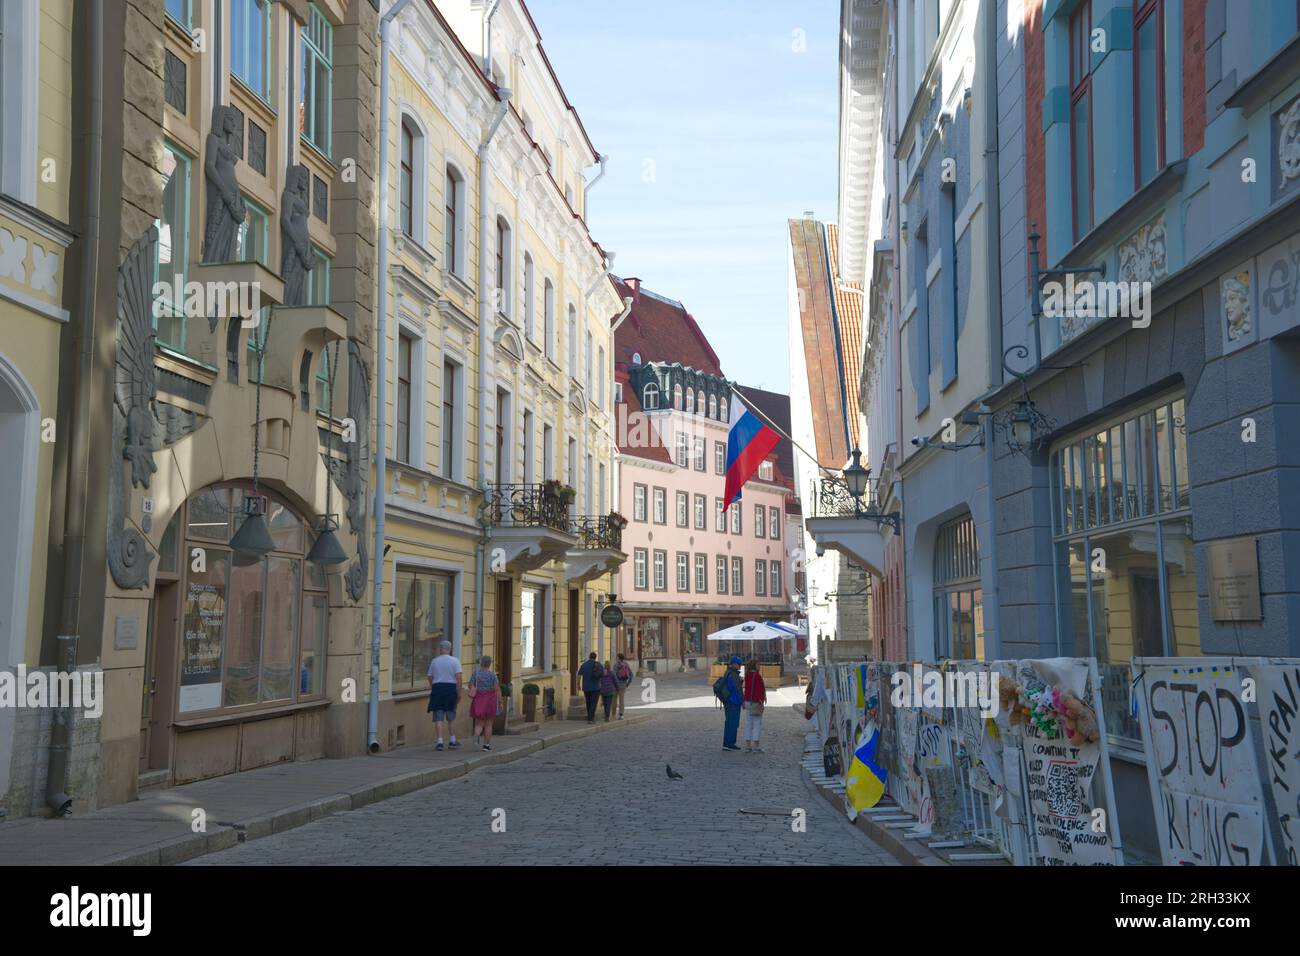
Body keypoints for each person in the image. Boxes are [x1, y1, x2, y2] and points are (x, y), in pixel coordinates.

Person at [426, 640, 463, 751]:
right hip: (450, 689)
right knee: (451, 717)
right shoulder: (455, 661)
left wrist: (434, 687)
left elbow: (429, 677)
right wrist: (459, 692)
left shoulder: (435, 661)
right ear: (450, 649)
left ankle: (440, 742)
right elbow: (459, 678)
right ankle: (452, 740)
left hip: (437, 689)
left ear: (440, 649)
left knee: (438, 717)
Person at [467, 655, 500, 751]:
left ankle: (476, 735)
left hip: (479, 699)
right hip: (490, 700)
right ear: (489, 664)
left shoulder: (476, 674)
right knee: (489, 724)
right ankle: (486, 745)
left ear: (481, 663)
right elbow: (496, 688)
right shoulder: (492, 675)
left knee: (479, 723)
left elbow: (470, 685)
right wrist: (501, 701)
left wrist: (475, 688)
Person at [743, 657, 767, 753]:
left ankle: (748, 745)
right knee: (757, 723)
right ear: (755, 665)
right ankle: (756, 746)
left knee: (748, 724)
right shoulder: (756, 676)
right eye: (758, 665)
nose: (759, 666)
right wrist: (761, 700)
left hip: (747, 701)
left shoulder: (747, 675)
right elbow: (758, 690)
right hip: (756, 702)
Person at [720, 655, 744, 751]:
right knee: (732, 723)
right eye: (738, 664)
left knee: (730, 723)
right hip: (733, 702)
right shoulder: (733, 675)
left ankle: (729, 743)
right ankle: (729, 743)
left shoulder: (728, 672)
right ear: (734, 664)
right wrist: (742, 701)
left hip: (728, 702)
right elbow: (737, 690)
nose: (740, 666)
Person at [577, 652, 603, 724]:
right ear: (595, 657)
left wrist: (578, 684)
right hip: (596, 687)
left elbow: (579, 676)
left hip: (586, 687)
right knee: (593, 703)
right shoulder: (598, 664)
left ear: (589, 657)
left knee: (588, 703)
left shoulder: (584, 665)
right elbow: (602, 674)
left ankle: (590, 717)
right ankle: (591, 718)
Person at [613, 653, 634, 719]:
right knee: (621, 700)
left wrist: (615, 683)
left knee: (614, 700)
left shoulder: (616, 665)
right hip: (623, 684)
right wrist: (628, 683)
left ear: (618, 658)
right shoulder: (626, 664)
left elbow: (614, 675)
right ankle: (621, 715)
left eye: (616, 657)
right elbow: (631, 674)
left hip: (616, 685)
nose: (616, 658)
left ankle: (613, 715)